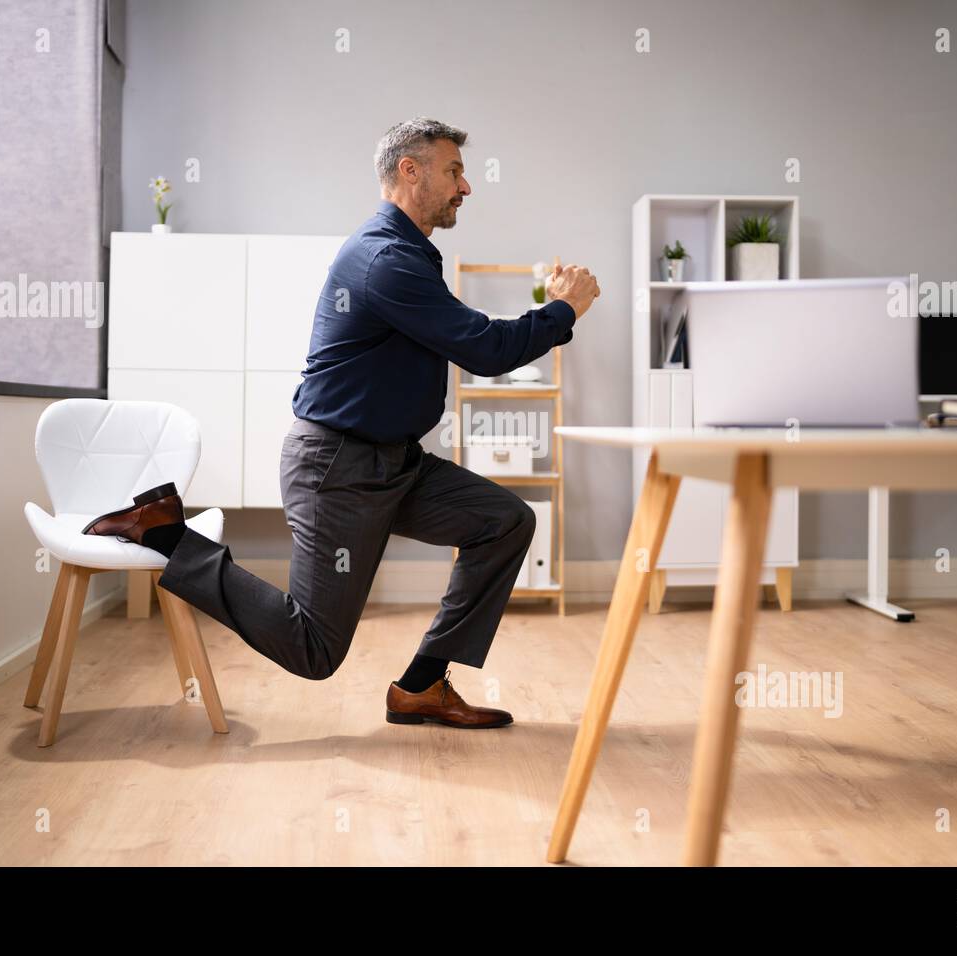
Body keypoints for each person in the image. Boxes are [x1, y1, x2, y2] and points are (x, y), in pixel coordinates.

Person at [84, 117, 600, 728]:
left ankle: (421, 686)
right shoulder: (385, 259)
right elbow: (484, 350)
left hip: (395, 464)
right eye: (455, 171)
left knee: (505, 520)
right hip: (338, 469)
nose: (466, 188)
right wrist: (564, 307)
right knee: (313, 649)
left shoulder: (407, 254)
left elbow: (470, 336)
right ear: (411, 171)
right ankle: (167, 534)